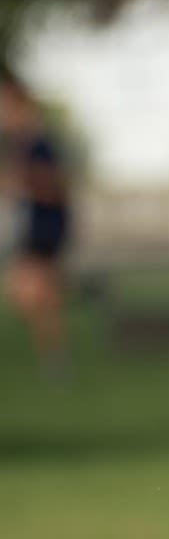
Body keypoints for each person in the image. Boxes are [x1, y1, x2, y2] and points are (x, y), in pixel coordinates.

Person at [0, 68, 73, 381]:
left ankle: (55, 360)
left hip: (44, 228)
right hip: (33, 227)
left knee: (28, 293)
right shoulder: (20, 145)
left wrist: (20, 182)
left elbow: (55, 188)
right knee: (32, 297)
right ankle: (54, 360)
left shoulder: (38, 144)